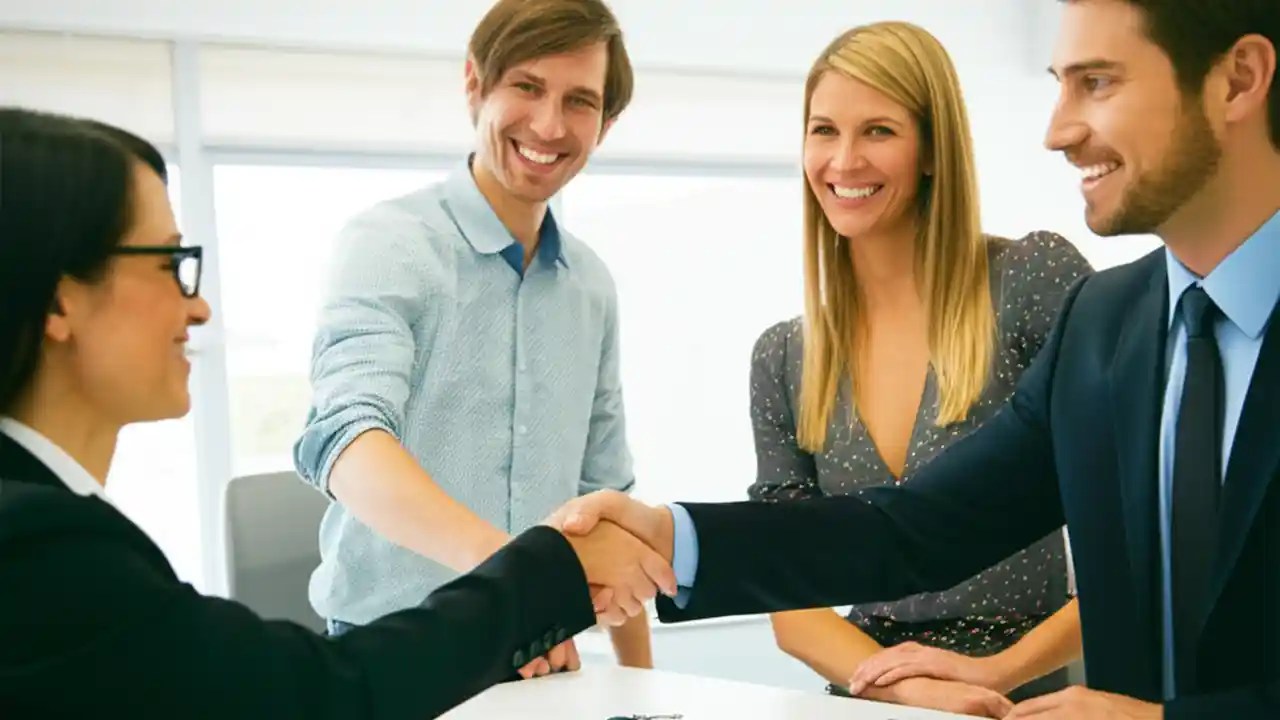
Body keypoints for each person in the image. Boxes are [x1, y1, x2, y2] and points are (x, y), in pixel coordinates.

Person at [553, 0, 1280, 716]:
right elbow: (918, 529)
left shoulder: (1037, 284)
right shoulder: (1110, 323)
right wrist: (672, 535)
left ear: (1240, 78)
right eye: (1060, 82)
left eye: (1098, 82)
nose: (1056, 130)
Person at [0, 107, 672, 719]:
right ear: (61, 301)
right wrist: (537, 572)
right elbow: (318, 692)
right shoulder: (44, 550)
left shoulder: (51, 524)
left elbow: (603, 478)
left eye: (580, 101)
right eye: (171, 263)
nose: (198, 307)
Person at [291, 0, 651, 677]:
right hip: (391, 653)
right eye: (526, 86)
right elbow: (345, 441)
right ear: (473, 85)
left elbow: (605, 493)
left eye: (579, 101)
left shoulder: (591, 285)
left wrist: (642, 687)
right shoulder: (390, 244)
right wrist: (525, 579)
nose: (549, 124)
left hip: (544, 657)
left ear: (605, 124)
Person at [747, 21, 1091, 718]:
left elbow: (1139, 526)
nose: (843, 161)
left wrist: (992, 674)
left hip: (1026, 694)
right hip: (870, 694)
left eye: (878, 131)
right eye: (823, 130)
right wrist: (905, 685)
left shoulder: (1030, 281)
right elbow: (787, 593)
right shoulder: (785, 355)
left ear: (933, 148)